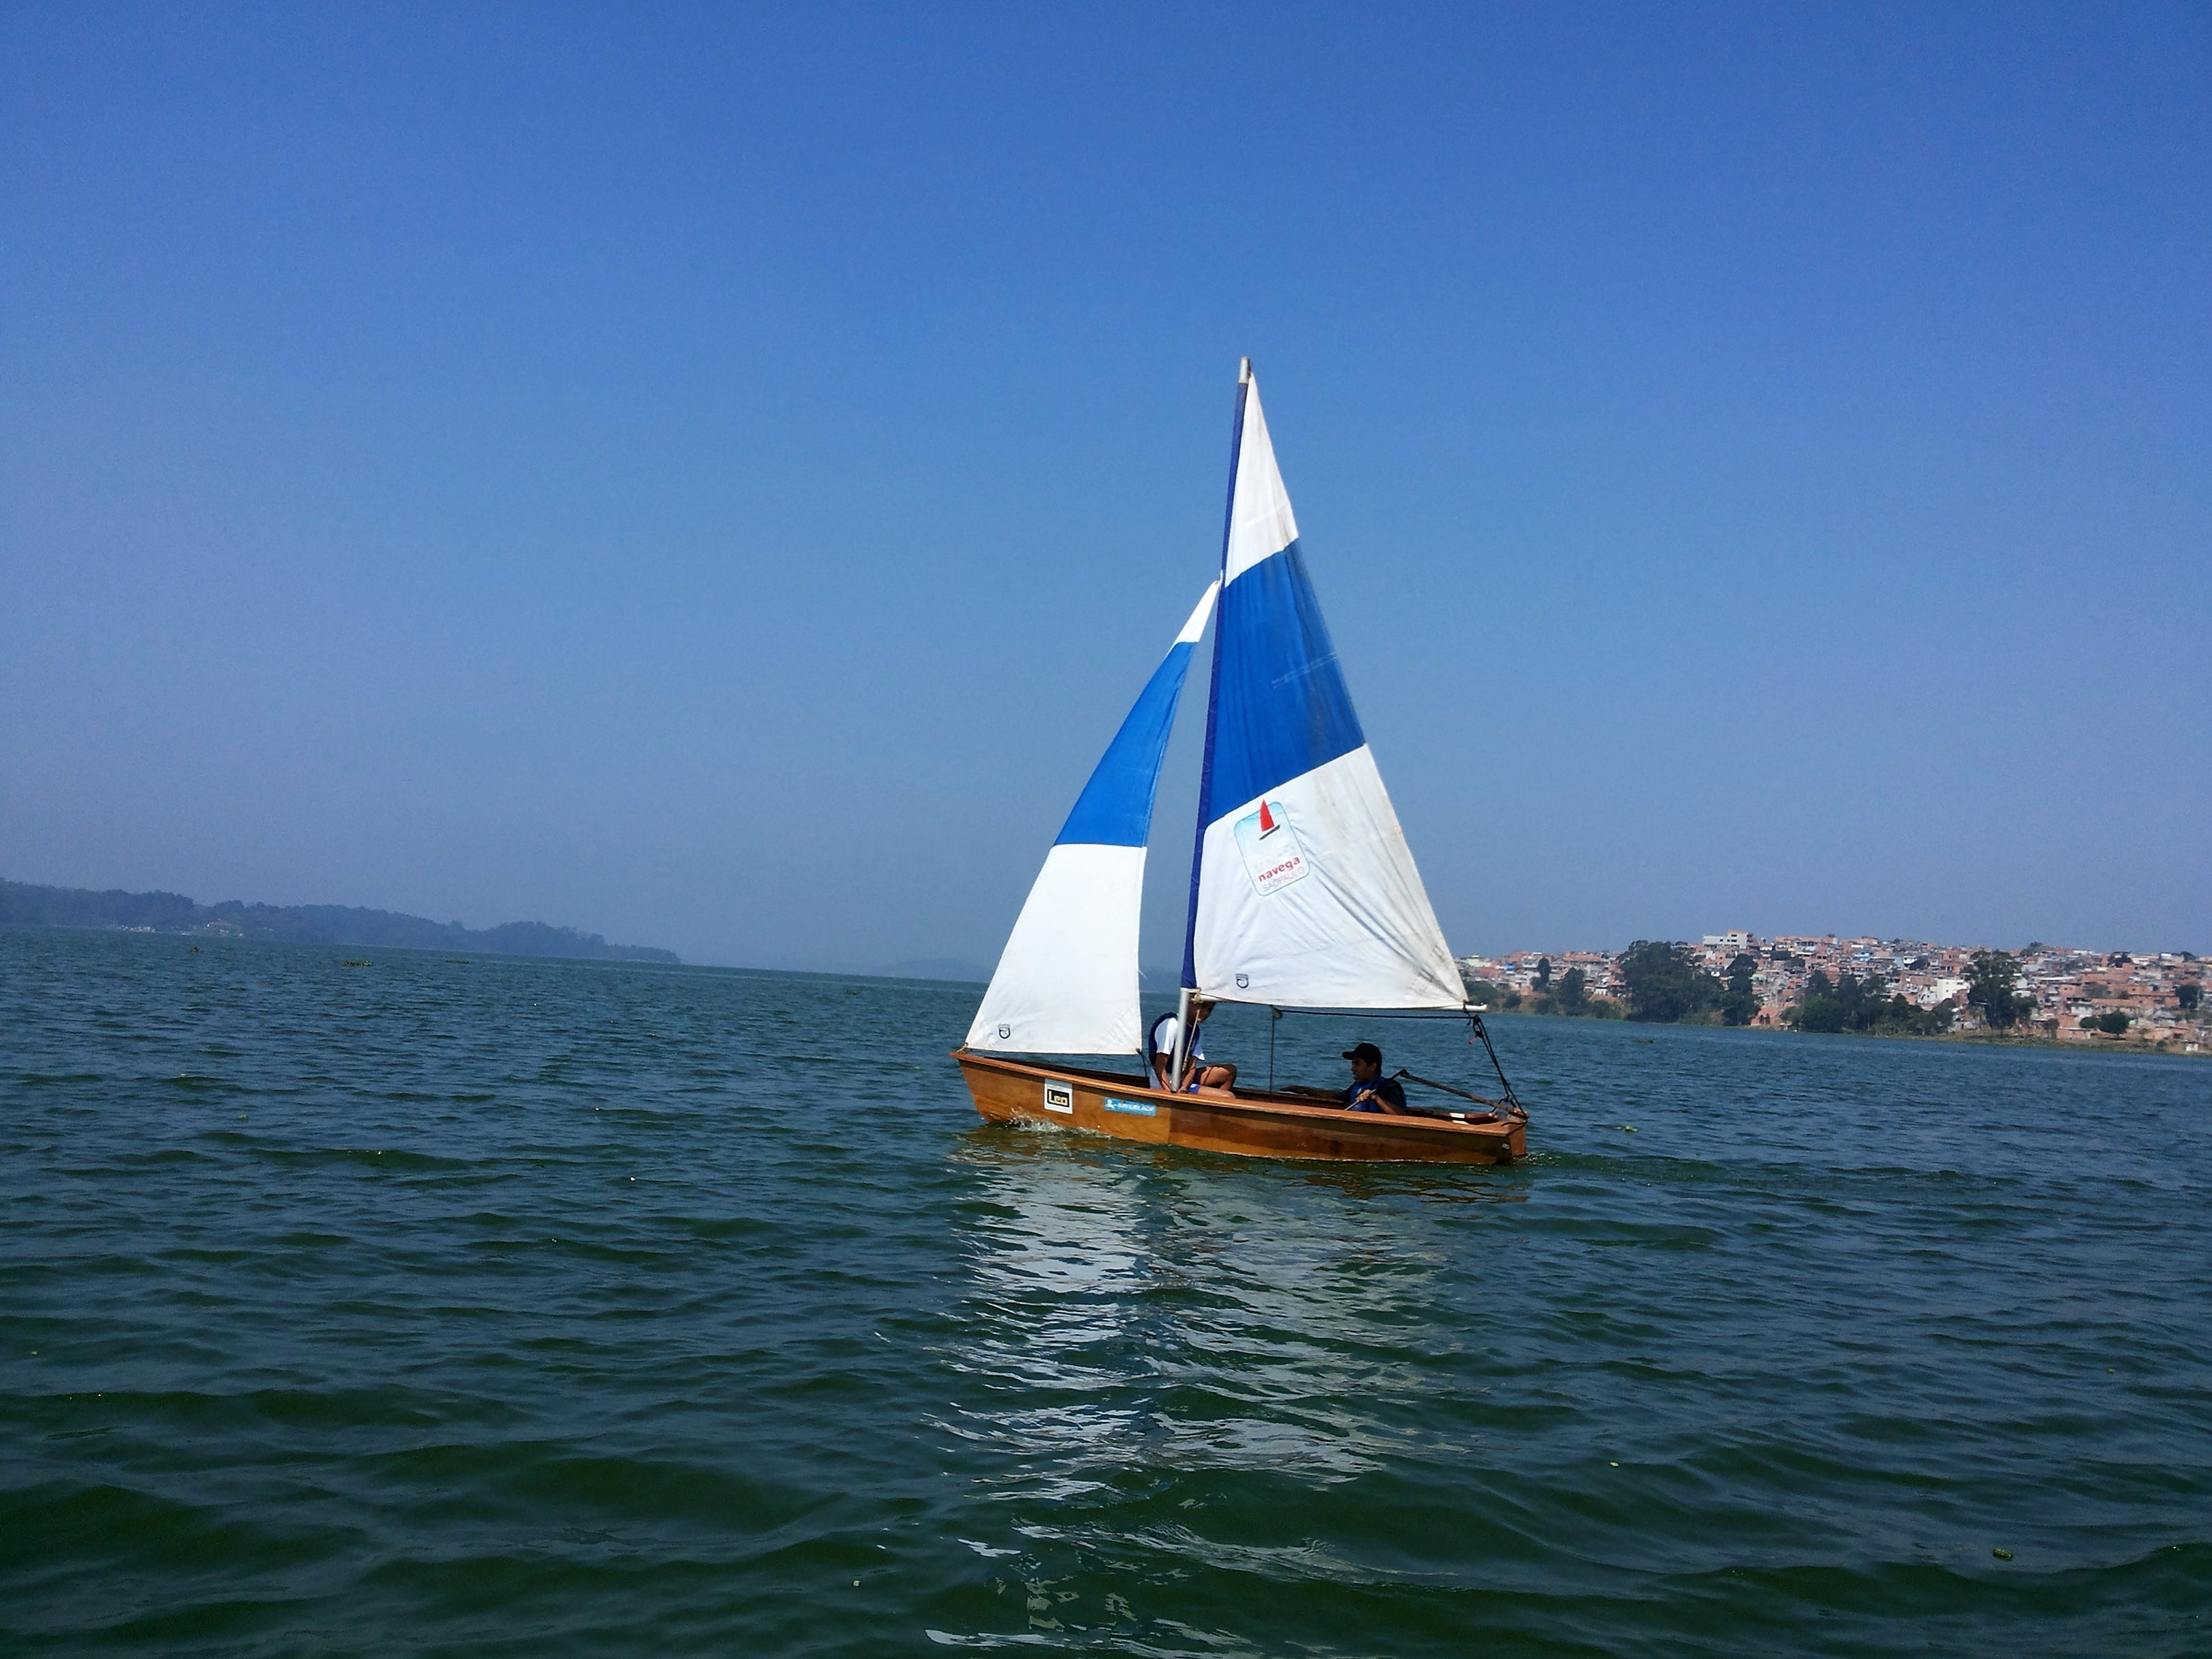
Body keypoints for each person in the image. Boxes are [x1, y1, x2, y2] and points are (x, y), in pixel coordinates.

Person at [1149, 999, 1230, 1093]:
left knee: (1229, 1072)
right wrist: (1171, 1094)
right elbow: (1160, 1067)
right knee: (1228, 1096)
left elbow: (1192, 1067)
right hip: (1163, 1083)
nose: (1206, 1013)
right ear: (1190, 1003)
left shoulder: (1196, 1031)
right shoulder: (1172, 1025)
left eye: (1210, 1010)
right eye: (1203, 1007)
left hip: (1182, 1081)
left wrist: (1184, 1088)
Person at [1339, 1042, 1408, 1114]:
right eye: (1352, 1064)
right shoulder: (1355, 1087)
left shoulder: (1389, 1087)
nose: (1352, 1069)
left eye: (1357, 1064)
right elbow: (1337, 1097)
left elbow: (1400, 1114)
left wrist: (1375, 1098)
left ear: (1372, 1067)